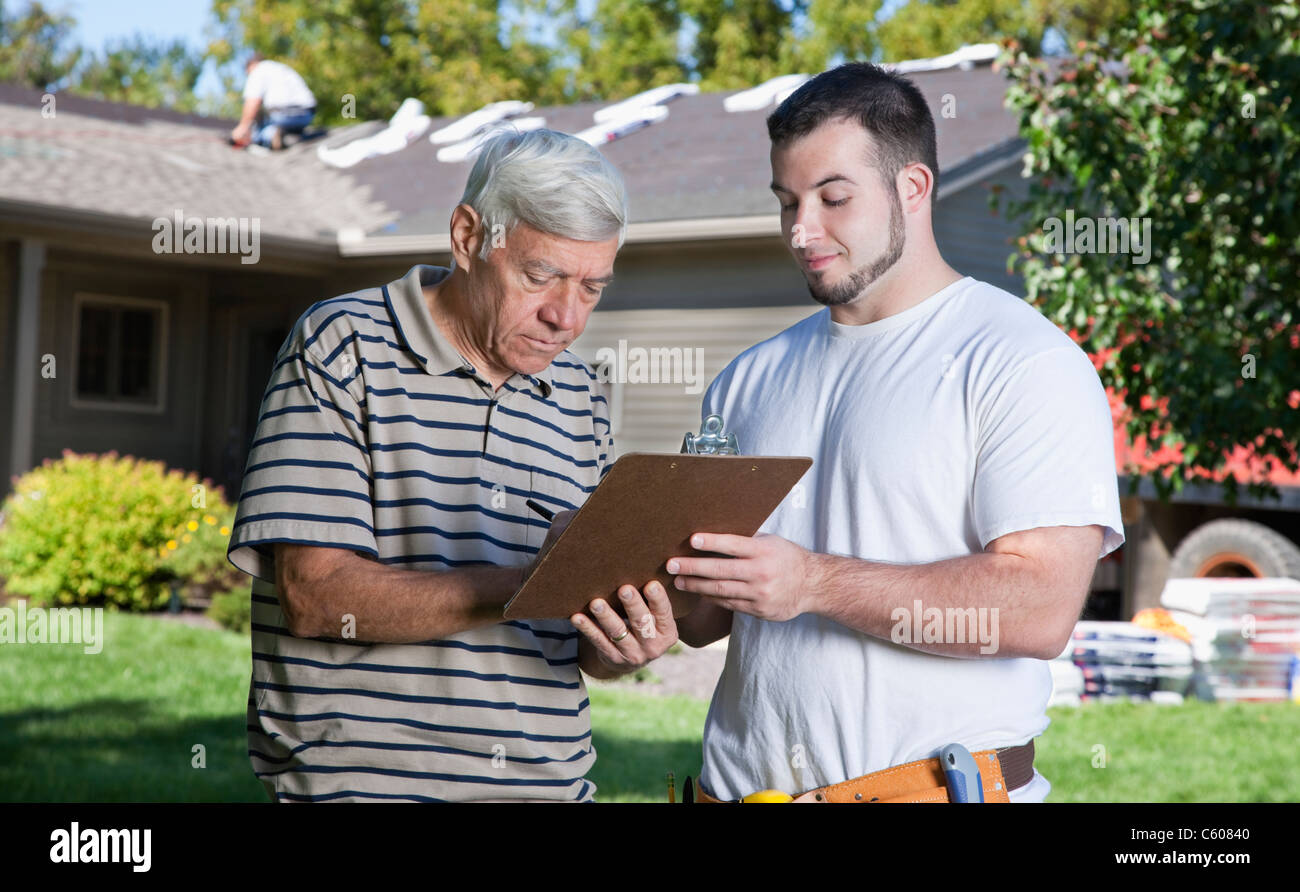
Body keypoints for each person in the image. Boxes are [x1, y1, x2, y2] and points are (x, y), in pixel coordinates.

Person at [668, 62, 1125, 803]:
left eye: (833, 197)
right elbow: (705, 619)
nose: (801, 229)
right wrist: (630, 576)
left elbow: (1041, 607)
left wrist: (813, 581)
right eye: (787, 201)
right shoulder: (746, 380)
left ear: (912, 189)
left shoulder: (1021, 360)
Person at [226, 128, 678, 801]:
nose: (566, 317)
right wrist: (532, 582)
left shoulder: (580, 393)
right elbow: (315, 597)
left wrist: (619, 644)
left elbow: (574, 637)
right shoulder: (342, 344)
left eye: (592, 288)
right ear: (468, 237)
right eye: (540, 275)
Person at [229, 54, 317, 150]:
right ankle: (287, 135)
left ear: (251, 66)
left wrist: (242, 128)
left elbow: (252, 102)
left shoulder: (258, 70)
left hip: (283, 114)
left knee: (256, 133)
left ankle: (271, 135)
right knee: (278, 124)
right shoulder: (278, 68)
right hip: (307, 115)